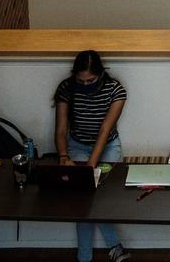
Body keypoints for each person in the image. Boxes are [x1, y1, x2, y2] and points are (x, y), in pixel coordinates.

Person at [53, 51, 132, 262]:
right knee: (83, 197)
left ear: (100, 75)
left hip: (107, 146)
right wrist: (63, 157)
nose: (86, 85)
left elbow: (105, 130)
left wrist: (90, 166)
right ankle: (108, 249)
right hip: (77, 144)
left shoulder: (115, 91)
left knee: (100, 196)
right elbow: (60, 130)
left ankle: (93, 254)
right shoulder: (66, 89)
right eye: (81, 81)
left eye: (91, 81)